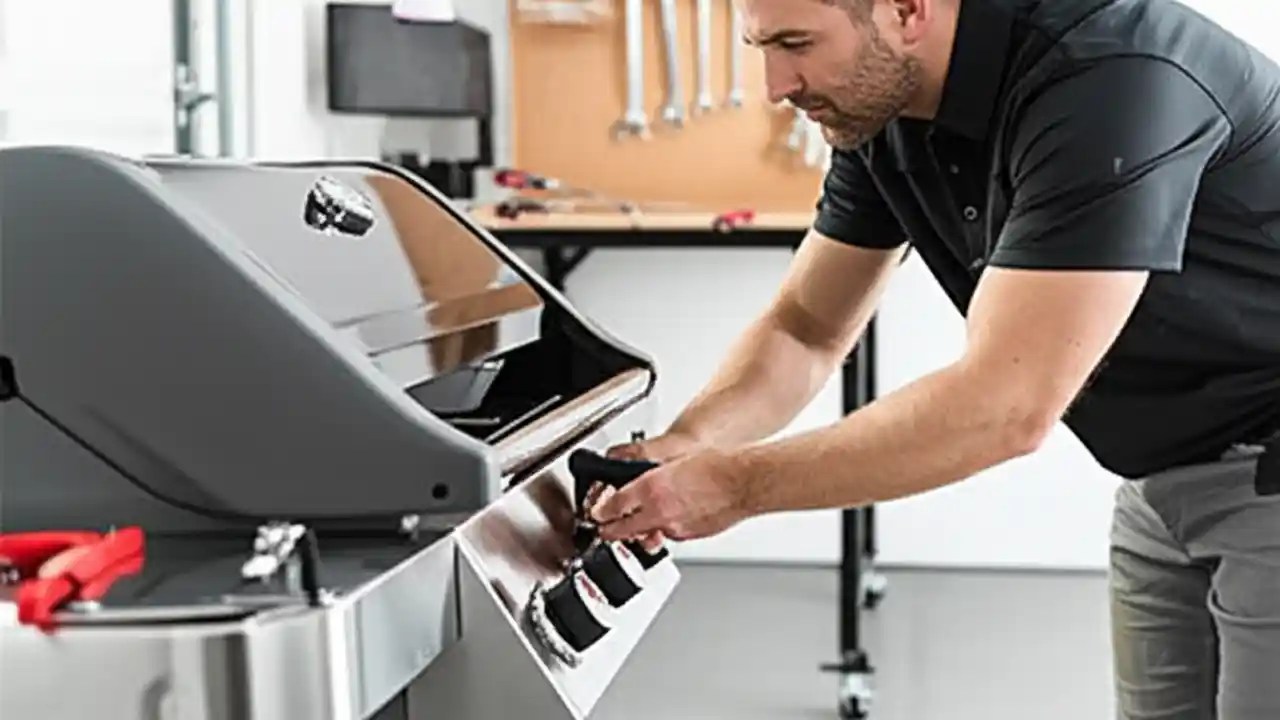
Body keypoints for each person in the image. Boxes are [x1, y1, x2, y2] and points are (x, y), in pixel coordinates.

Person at [586, 0, 1280, 716]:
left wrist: (735, 487)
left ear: (908, 9)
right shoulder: (880, 107)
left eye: (795, 43)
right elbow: (805, 327)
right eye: (762, 46)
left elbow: (1005, 408)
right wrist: (689, 445)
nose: (774, 85)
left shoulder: (1110, 77)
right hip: (1161, 478)